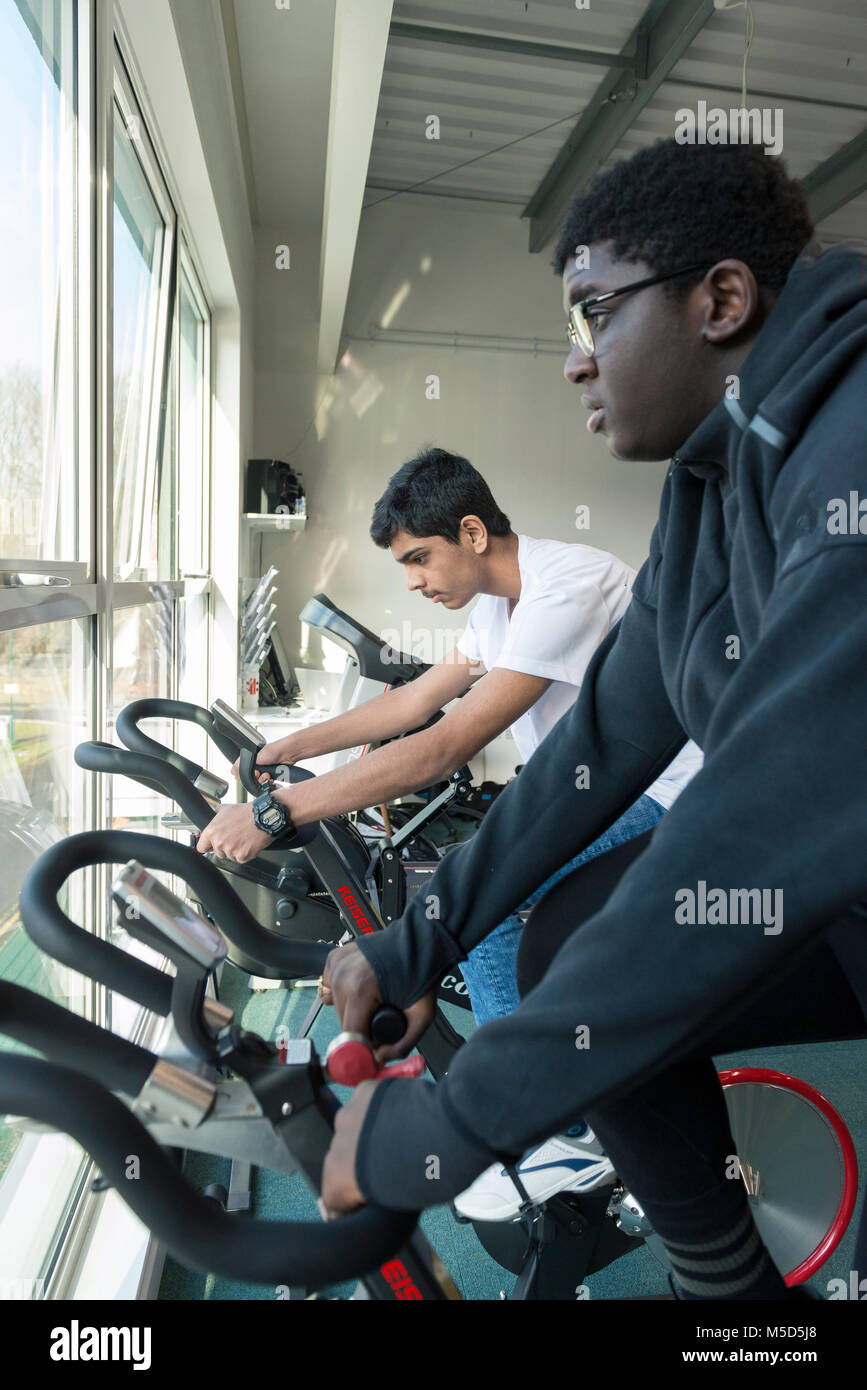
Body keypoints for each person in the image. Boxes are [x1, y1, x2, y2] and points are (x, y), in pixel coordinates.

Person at [318, 138, 867, 1301]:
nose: (575, 363)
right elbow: (602, 745)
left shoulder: (854, 433)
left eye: (593, 315)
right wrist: (420, 938)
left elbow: (778, 802)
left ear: (720, 300)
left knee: (612, 962)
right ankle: (726, 1292)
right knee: (574, 956)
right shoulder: (712, 490)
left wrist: (456, 1116)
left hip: (825, 865)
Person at [196, 447, 700, 1024]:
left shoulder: (568, 585)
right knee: (478, 883)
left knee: (478, 901)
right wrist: (283, 749)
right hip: (599, 791)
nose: (413, 582)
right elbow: (415, 700)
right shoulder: (494, 605)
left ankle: (520, 1100)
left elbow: (444, 746)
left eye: (420, 559)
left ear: (472, 532)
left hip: (665, 798)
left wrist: (273, 812)